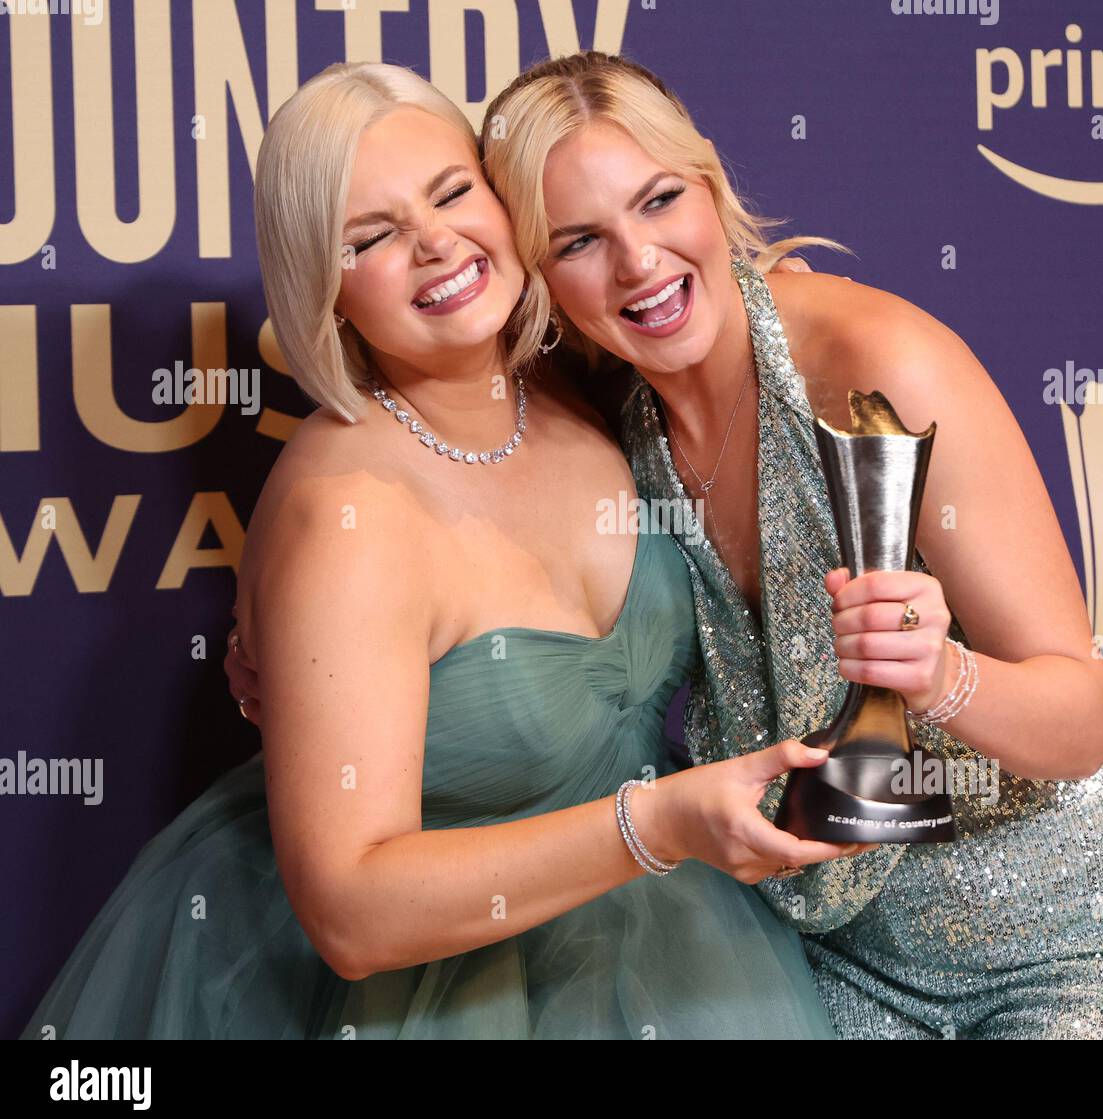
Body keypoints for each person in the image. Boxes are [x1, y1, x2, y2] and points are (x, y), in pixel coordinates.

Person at [20, 62, 862, 1040]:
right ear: (323, 290)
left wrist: (790, 306)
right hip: (432, 987)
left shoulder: (582, 373)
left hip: (669, 934)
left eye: (452, 192)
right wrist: (658, 824)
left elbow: (696, 289)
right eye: (370, 237)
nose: (434, 243)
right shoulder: (348, 513)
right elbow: (348, 913)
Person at [469, 51, 1103, 1039]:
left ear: (708, 185)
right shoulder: (602, 419)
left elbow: (1078, 721)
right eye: (579, 240)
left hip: (1077, 937)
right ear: (537, 272)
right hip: (836, 960)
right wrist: (285, 607)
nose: (639, 262)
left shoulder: (877, 364)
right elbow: (429, 465)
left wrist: (943, 672)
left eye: (660, 200)